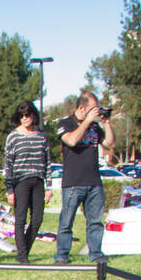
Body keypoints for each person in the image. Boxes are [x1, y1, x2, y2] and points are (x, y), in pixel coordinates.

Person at [55, 92, 116, 264]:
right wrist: (87, 121)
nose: (95, 112)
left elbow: (110, 144)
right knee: (66, 221)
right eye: (92, 109)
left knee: (95, 222)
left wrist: (107, 123)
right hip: (73, 182)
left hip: (94, 182)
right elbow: (72, 141)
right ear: (81, 108)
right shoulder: (65, 124)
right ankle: (62, 255)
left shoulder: (95, 127)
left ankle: (96, 254)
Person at [4, 100, 50, 264]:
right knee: (20, 219)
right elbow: (8, 165)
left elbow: (48, 162)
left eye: (27, 115)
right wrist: (9, 189)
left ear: (33, 115)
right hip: (20, 181)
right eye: (21, 116)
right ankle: (23, 256)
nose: (25, 118)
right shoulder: (13, 136)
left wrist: (49, 186)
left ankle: (24, 250)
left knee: (37, 219)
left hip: (38, 180)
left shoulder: (42, 136)